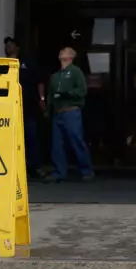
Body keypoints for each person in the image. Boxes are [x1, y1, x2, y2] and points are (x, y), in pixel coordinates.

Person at [44, 47, 94, 183]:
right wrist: (48, 111)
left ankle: (86, 170)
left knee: (76, 140)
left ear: (71, 56)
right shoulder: (55, 76)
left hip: (71, 111)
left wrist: (68, 93)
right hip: (58, 113)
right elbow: (50, 96)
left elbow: (82, 90)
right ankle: (59, 172)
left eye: (65, 51)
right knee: (57, 144)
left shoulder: (76, 72)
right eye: (61, 51)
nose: (61, 52)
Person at [4, 36, 45, 178]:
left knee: (31, 137)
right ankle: (12, 167)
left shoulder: (28, 62)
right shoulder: (3, 64)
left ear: (17, 47)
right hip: (9, 109)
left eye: (11, 45)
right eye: (7, 45)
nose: (8, 47)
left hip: (28, 107)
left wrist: (42, 99)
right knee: (11, 139)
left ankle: (35, 167)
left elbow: (39, 81)